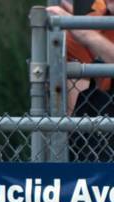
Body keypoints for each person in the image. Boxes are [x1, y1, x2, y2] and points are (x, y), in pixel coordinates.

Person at [48, 0, 114, 161]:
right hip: (99, 153)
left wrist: (84, 33)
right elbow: (70, 117)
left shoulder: (83, 30)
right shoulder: (91, 22)